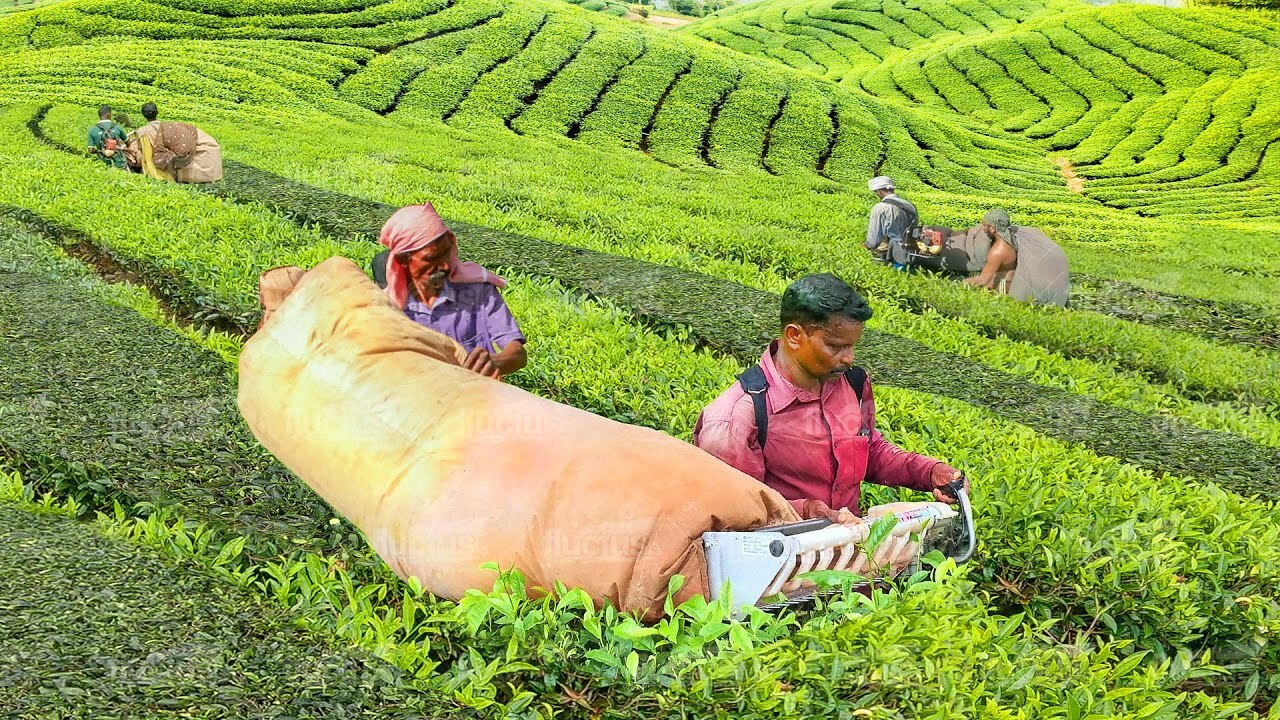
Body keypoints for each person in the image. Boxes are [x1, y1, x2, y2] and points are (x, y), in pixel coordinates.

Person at [693, 273, 967, 522]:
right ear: (794, 336)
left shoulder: (854, 384)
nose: (849, 358)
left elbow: (868, 449)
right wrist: (817, 514)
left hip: (852, 559)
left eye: (852, 346)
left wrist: (928, 472)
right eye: (836, 346)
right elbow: (738, 511)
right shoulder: (736, 418)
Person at [372, 203, 527, 379]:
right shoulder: (389, 312)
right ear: (403, 260)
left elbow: (518, 354)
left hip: (479, 399)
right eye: (431, 259)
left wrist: (496, 362)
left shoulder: (479, 291)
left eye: (446, 253)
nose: (445, 265)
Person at [962, 208, 1069, 308]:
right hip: (1011, 281)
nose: (983, 229)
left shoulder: (998, 252)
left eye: (985, 225)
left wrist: (962, 283)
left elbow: (983, 280)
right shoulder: (1012, 237)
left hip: (1003, 287)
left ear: (993, 228)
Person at [125, 102, 223, 183]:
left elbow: (146, 153)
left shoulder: (143, 131)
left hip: (160, 157)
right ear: (157, 112)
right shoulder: (167, 126)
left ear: (143, 115)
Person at [863, 176, 919, 271]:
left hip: (895, 253)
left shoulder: (880, 208)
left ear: (879, 191)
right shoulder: (909, 204)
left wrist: (866, 246)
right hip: (913, 251)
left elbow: (873, 239)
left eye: (876, 192)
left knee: (897, 276)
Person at [87, 106, 128, 170]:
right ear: (108, 114)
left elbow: (91, 150)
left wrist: (101, 151)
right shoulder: (117, 127)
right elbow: (127, 142)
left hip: (103, 164)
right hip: (120, 164)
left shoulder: (92, 130)